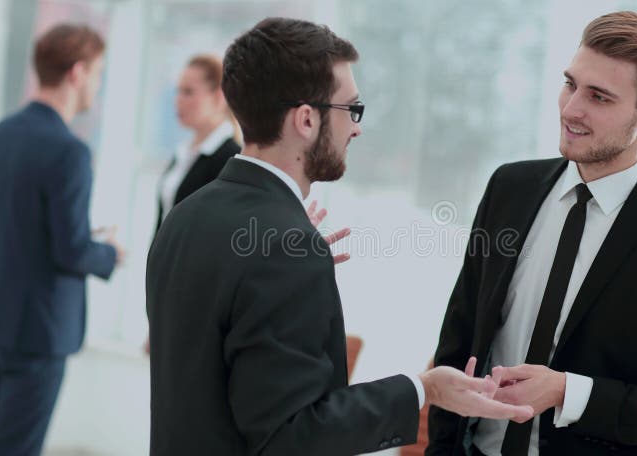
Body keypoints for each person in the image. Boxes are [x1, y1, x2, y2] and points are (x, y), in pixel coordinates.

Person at [146, 17, 533, 455]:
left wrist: (288, 273)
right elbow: (293, 435)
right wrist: (424, 389)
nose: (357, 127)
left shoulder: (184, 216)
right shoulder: (283, 247)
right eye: (351, 109)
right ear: (306, 119)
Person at [428, 11, 637, 456]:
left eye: (599, 97)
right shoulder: (508, 188)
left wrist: (567, 392)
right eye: (570, 84)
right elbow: (458, 340)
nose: (571, 109)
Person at [0, 23, 123, 456]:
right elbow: (71, 250)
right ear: (77, 73)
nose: (97, 86)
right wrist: (110, 254)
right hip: (37, 334)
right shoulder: (69, 151)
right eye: (98, 74)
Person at [155, 54, 241, 235]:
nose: (178, 100)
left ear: (218, 98)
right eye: (178, 91)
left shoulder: (231, 158)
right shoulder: (183, 152)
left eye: (188, 92)